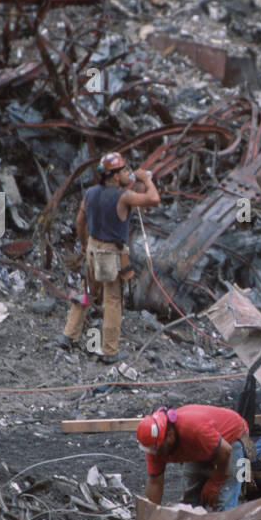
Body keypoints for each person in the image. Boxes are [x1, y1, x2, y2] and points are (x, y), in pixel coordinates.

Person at [59, 152, 159, 364]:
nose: (127, 174)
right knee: (113, 300)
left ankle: (68, 335)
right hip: (111, 254)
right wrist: (147, 180)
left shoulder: (91, 193)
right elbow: (154, 199)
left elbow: (80, 221)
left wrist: (85, 244)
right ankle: (110, 350)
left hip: (93, 249)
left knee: (86, 292)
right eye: (124, 171)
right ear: (114, 176)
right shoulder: (123, 196)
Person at [135, 404, 252, 511]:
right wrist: (151, 516)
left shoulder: (194, 429)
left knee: (222, 502)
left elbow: (226, 452)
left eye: (157, 450)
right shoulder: (154, 445)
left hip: (231, 440)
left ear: (170, 436)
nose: (155, 454)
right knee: (189, 504)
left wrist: (215, 483)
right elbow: (155, 483)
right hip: (202, 446)